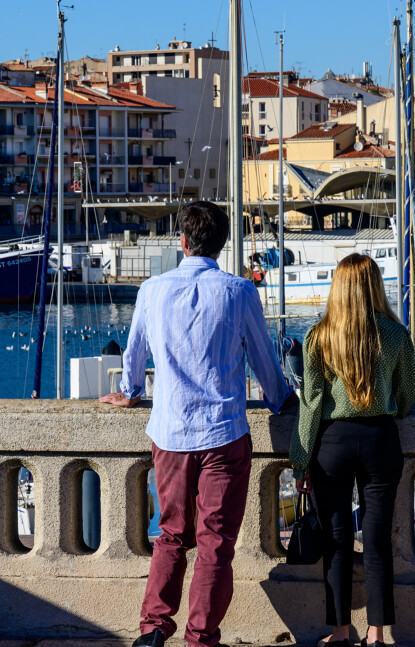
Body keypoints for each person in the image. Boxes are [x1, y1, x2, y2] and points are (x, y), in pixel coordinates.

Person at [100, 200, 296, 647]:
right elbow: (266, 365)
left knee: (171, 533)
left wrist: (130, 393)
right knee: (214, 544)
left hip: (170, 433)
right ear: (222, 245)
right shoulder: (239, 291)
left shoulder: (152, 289)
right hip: (223, 433)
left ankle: (153, 628)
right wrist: (283, 400)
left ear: (182, 242)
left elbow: (134, 355)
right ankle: (200, 637)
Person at [290, 253, 415, 647]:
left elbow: (310, 404)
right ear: (376, 286)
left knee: (337, 539)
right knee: (377, 539)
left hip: (332, 444)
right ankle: (377, 635)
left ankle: (340, 632)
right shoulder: (396, 335)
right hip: (380, 440)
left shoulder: (319, 337)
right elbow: (407, 398)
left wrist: (300, 460)